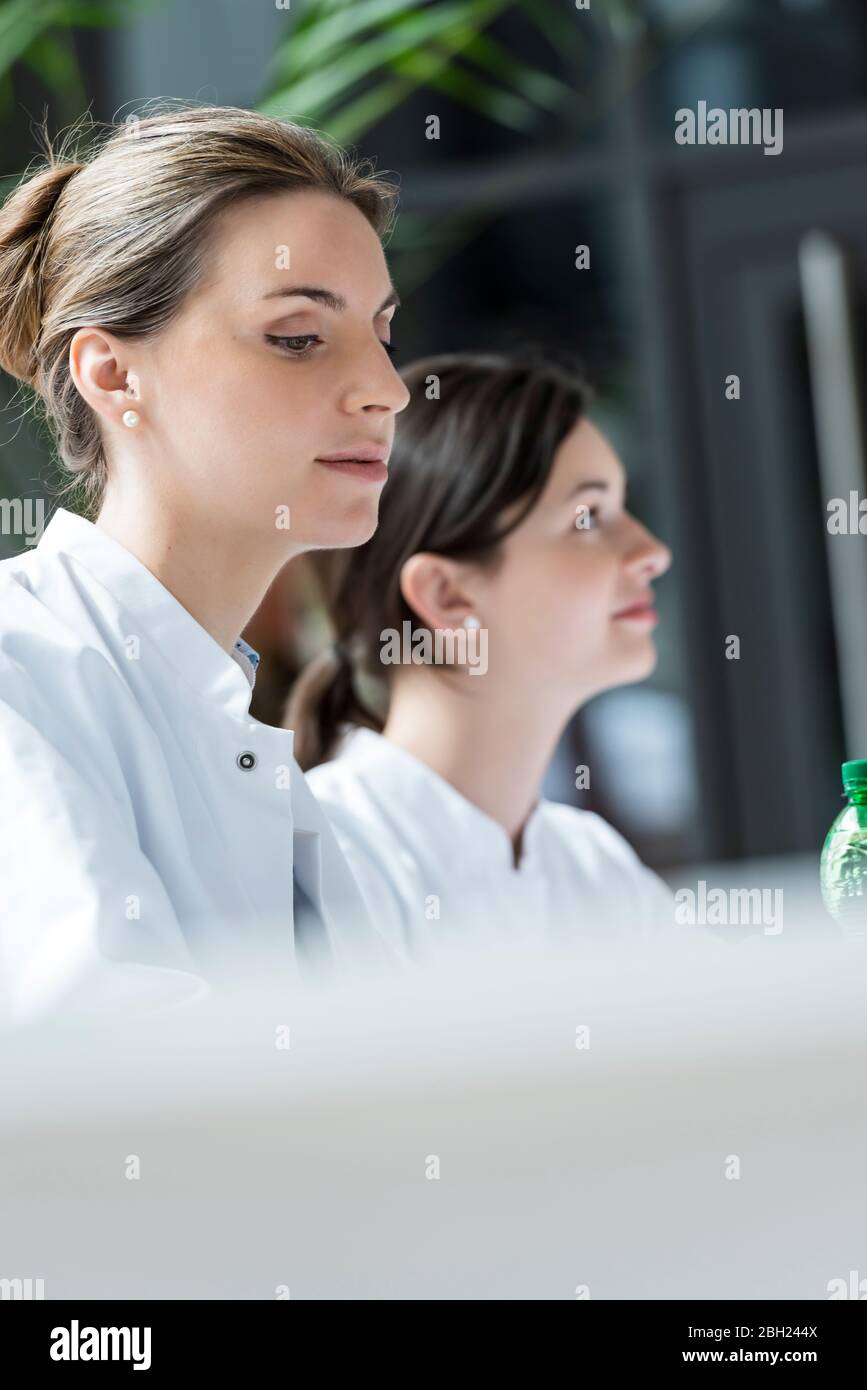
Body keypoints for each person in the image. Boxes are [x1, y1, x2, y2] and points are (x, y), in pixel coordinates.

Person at [0, 102, 410, 1025]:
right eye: (298, 337)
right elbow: (118, 1063)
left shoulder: (226, 719)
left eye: (382, 335)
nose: (385, 390)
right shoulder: (19, 674)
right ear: (111, 375)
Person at [291, 352, 677, 960]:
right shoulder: (327, 866)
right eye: (587, 517)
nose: (652, 552)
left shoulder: (594, 868)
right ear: (447, 594)